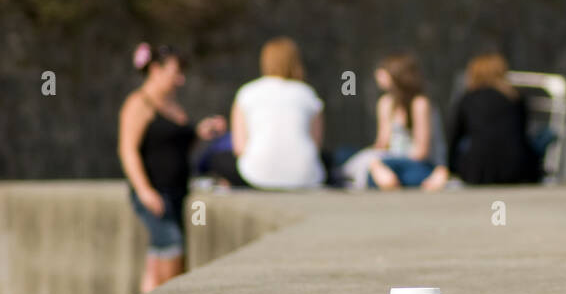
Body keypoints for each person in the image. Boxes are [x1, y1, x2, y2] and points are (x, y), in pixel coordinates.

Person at [118, 43, 227, 294]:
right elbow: (127, 149)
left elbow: (177, 145)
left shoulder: (172, 105)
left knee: (159, 252)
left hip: (176, 192)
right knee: (171, 247)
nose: (181, 79)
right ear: (156, 69)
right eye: (176, 72)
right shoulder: (139, 103)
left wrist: (201, 132)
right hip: (155, 192)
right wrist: (145, 191)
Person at [209, 37, 326, 189]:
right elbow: (315, 145)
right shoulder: (308, 93)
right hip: (306, 177)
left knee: (218, 159)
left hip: (256, 177)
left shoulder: (247, 92)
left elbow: (239, 148)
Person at [344, 52, 450, 191]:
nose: (378, 74)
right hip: (390, 160)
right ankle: (385, 176)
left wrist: (384, 163)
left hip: (417, 163)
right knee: (345, 154)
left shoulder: (419, 103)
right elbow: (383, 143)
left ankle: (390, 177)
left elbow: (421, 151)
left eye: (384, 70)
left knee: (393, 171)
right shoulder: (385, 103)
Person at [448, 53, 541, 185]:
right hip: (517, 167)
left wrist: (450, 167)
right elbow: (523, 133)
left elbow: (455, 136)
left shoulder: (468, 99)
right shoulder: (515, 98)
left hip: (478, 169)